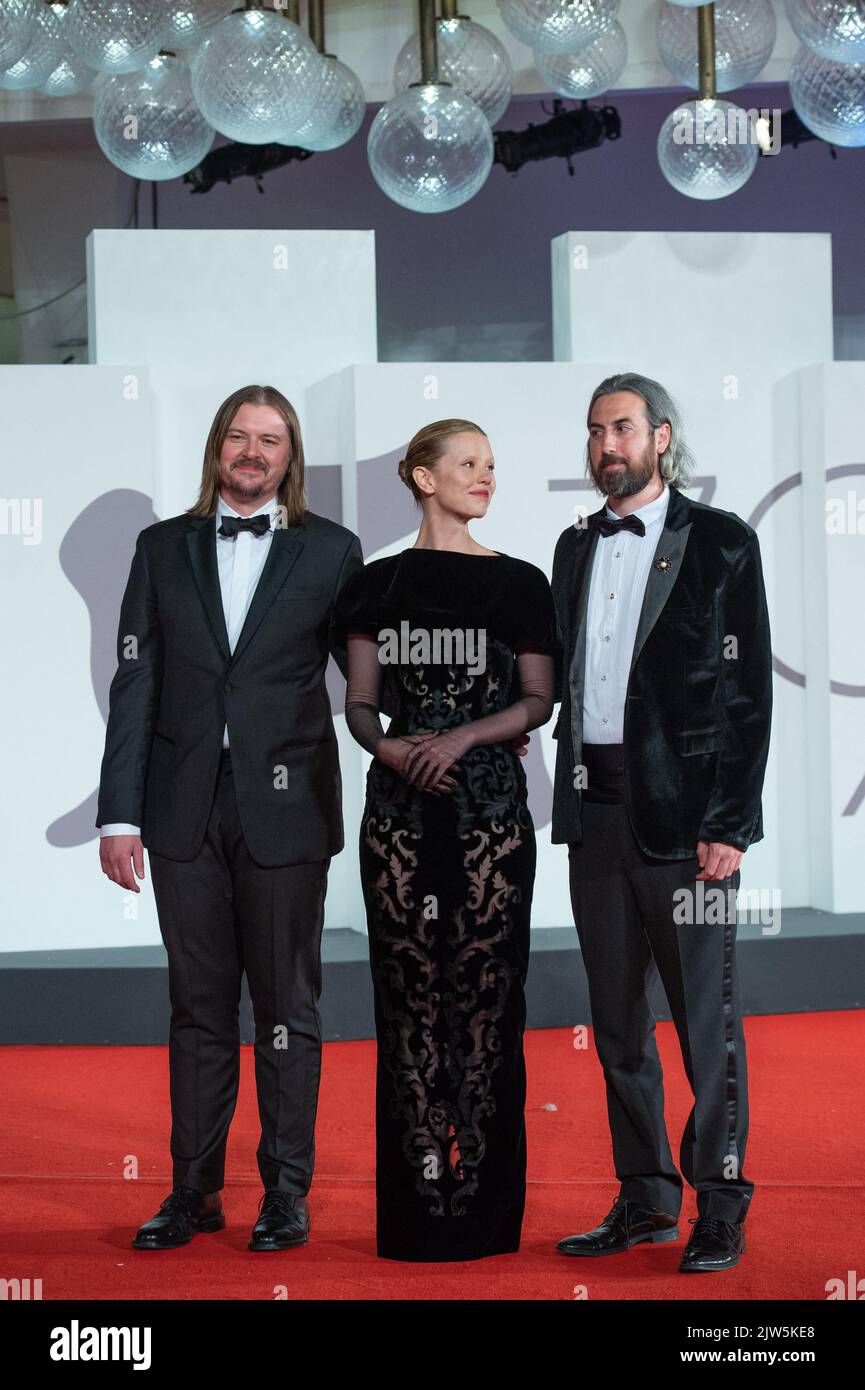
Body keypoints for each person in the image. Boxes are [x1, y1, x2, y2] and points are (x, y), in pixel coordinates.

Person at [97, 384, 363, 1252]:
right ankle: (193, 1192)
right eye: (240, 438)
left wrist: (460, 725)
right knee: (198, 1008)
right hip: (180, 811)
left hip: (285, 811)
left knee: (288, 1006)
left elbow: (369, 680)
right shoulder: (160, 547)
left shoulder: (332, 552)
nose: (253, 453)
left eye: (271, 440)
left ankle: (285, 1193)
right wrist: (118, 817)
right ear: (218, 448)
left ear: (290, 458)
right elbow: (133, 682)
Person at [550, 372, 772, 1273]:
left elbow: (746, 694)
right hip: (594, 818)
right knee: (615, 1026)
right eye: (596, 431)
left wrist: (729, 824)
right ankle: (644, 1199)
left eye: (623, 429)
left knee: (704, 1025)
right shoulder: (572, 548)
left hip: (688, 831)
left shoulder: (720, 543)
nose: (607, 445)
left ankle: (720, 1204)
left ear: (661, 437)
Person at [333, 419, 559, 1261]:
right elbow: (360, 704)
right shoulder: (374, 586)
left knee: (489, 1000)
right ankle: (417, 1213)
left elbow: (537, 703)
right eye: (468, 464)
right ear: (423, 478)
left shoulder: (520, 584)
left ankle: (485, 1215)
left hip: (491, 816)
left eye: (492, 466)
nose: (484, 477)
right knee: (409, 1004)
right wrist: (391, 747)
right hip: (396, 815)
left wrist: (461, 739)